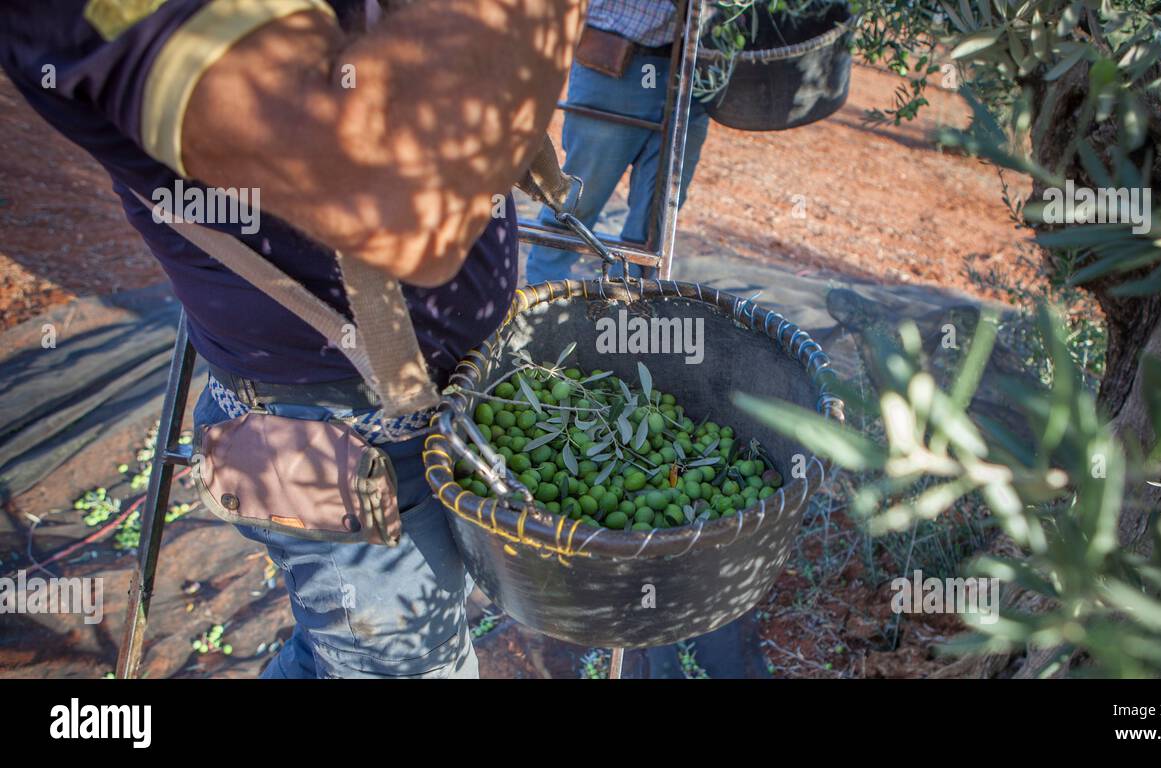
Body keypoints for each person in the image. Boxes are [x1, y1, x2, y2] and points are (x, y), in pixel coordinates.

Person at [0, 0, 583, 678]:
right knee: (395, 666)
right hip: (335, 437)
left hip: (439, 401)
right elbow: (400, 197)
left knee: (354, 654)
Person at [525, 0, 710, 282]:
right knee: (574, 203)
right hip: (617, 63)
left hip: (695, 73)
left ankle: (628, 310)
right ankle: (541, 303)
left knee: (655, 225)